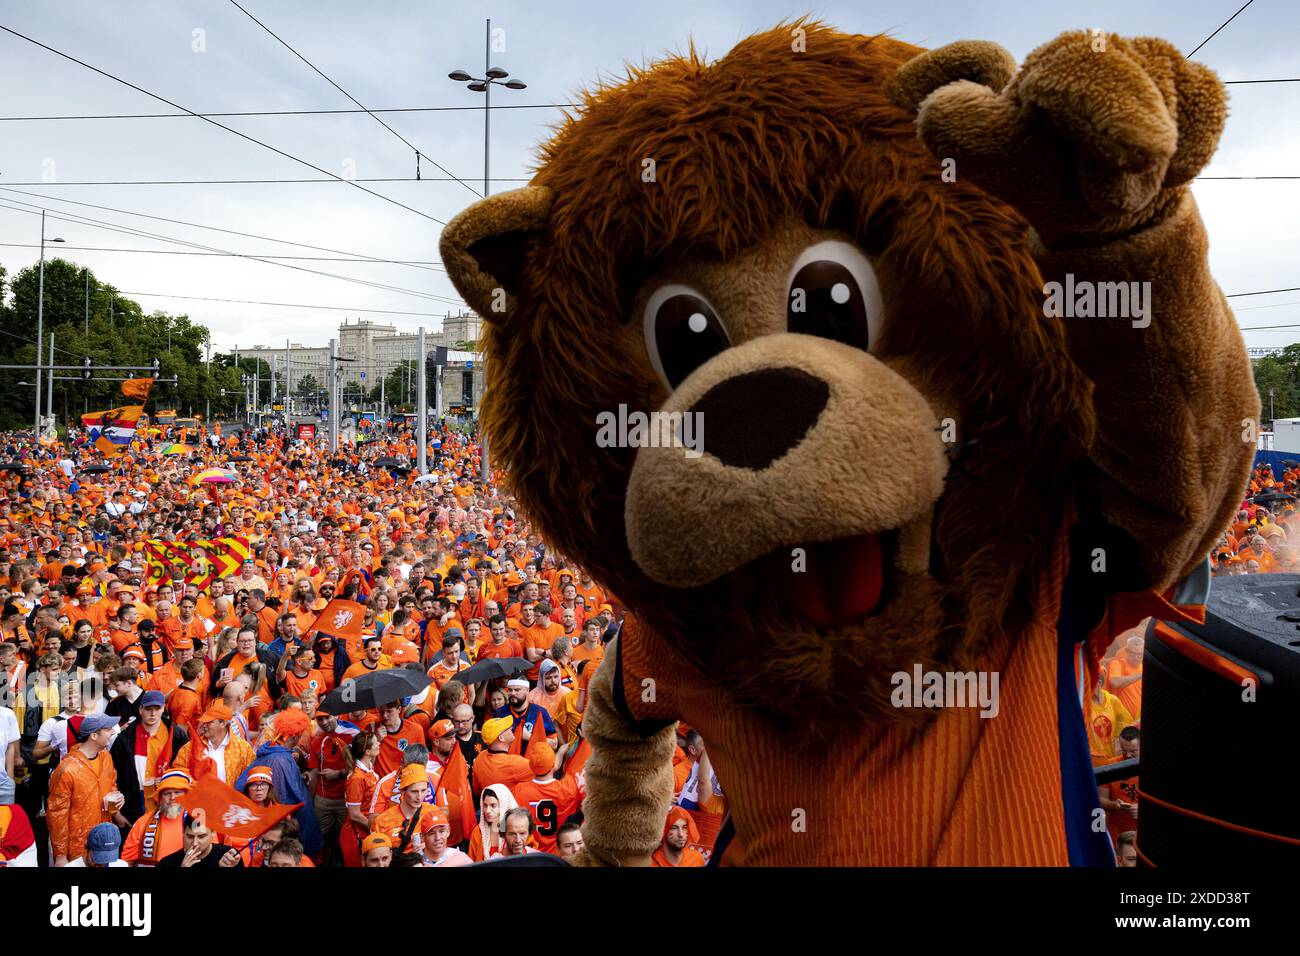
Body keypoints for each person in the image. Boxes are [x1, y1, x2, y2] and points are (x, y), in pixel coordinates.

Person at [233, 708, 323, 857]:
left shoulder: (275, 751)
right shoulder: (280, 759)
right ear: (295, 737)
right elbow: (282, 795)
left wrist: (299, 776)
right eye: (300, 736)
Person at [47, 713, 126, 865]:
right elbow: (57, 815)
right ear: (94, 735)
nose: (113, 732)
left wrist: (116, 810)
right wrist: (60, 855)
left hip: (104, 842)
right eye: (108, 729)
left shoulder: (105, 757)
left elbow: (111, 785)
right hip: (78, 848)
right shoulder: (67, 769)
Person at [108, 688, 189, 823]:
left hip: (169, 808)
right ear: (140, 709)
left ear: (163, 709)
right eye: (148, 709)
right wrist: (115, 813)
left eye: (157, 708)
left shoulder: (177, 736)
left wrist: (169, 780)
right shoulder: (125, 738)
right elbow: (111, 775)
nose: (152, 713)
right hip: (133, 810)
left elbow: (187, 771)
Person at [511, 742, 582, 854]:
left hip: (531, 854)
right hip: (560, 854)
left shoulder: (518, 790)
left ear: (531, 766)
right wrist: (561, 753)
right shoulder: (568, 788)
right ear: (554, 765)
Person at [173, 701, 257, 783]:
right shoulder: (190, 748)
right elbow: (178, 773)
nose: (204, 725)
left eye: (209, 722)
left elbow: (251, 776)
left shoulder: (243, 749)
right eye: (204, 722)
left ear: (223, 724)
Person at [120, 769, 191, 866]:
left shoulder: (198, 821)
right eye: (167, 793)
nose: (172, 797)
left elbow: (211, 854)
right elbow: (127, 862)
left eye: (177, 792)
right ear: (160, 798)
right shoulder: (142, 823)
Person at [156, 812, 244, 868]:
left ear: (212, 833)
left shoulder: (228, 857)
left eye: (201, 836)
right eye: (190, 837)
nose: (194, 843)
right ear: (183, 834)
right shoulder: (166, 864)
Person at [471, 716, 533, 794]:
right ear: (501, 738)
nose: (511, 728)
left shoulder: (480, 757)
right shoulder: (513, 763)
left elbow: (477, 790)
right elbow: (546, 769)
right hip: (512, 805)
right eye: (507, 728)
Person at [63, 821, 129, 868]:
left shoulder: (121, 865)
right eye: (98, 858)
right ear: (86, 847)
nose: (100, 864)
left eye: (106, 858)